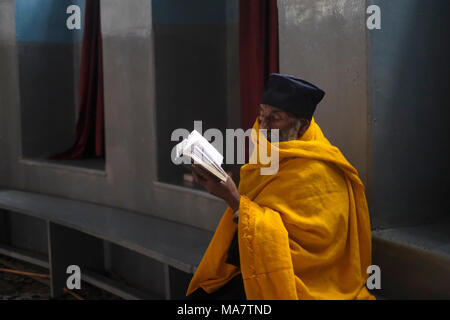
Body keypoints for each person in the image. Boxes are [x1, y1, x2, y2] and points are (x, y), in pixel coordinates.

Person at [185, 73, 375, 300]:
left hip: (304, 280)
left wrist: (234, 200)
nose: (263, 127)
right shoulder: (271, 154)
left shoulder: (320, 171)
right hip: (256, 262)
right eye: (261, 114)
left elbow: (313, 251)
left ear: (302, 125)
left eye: (275, 118)